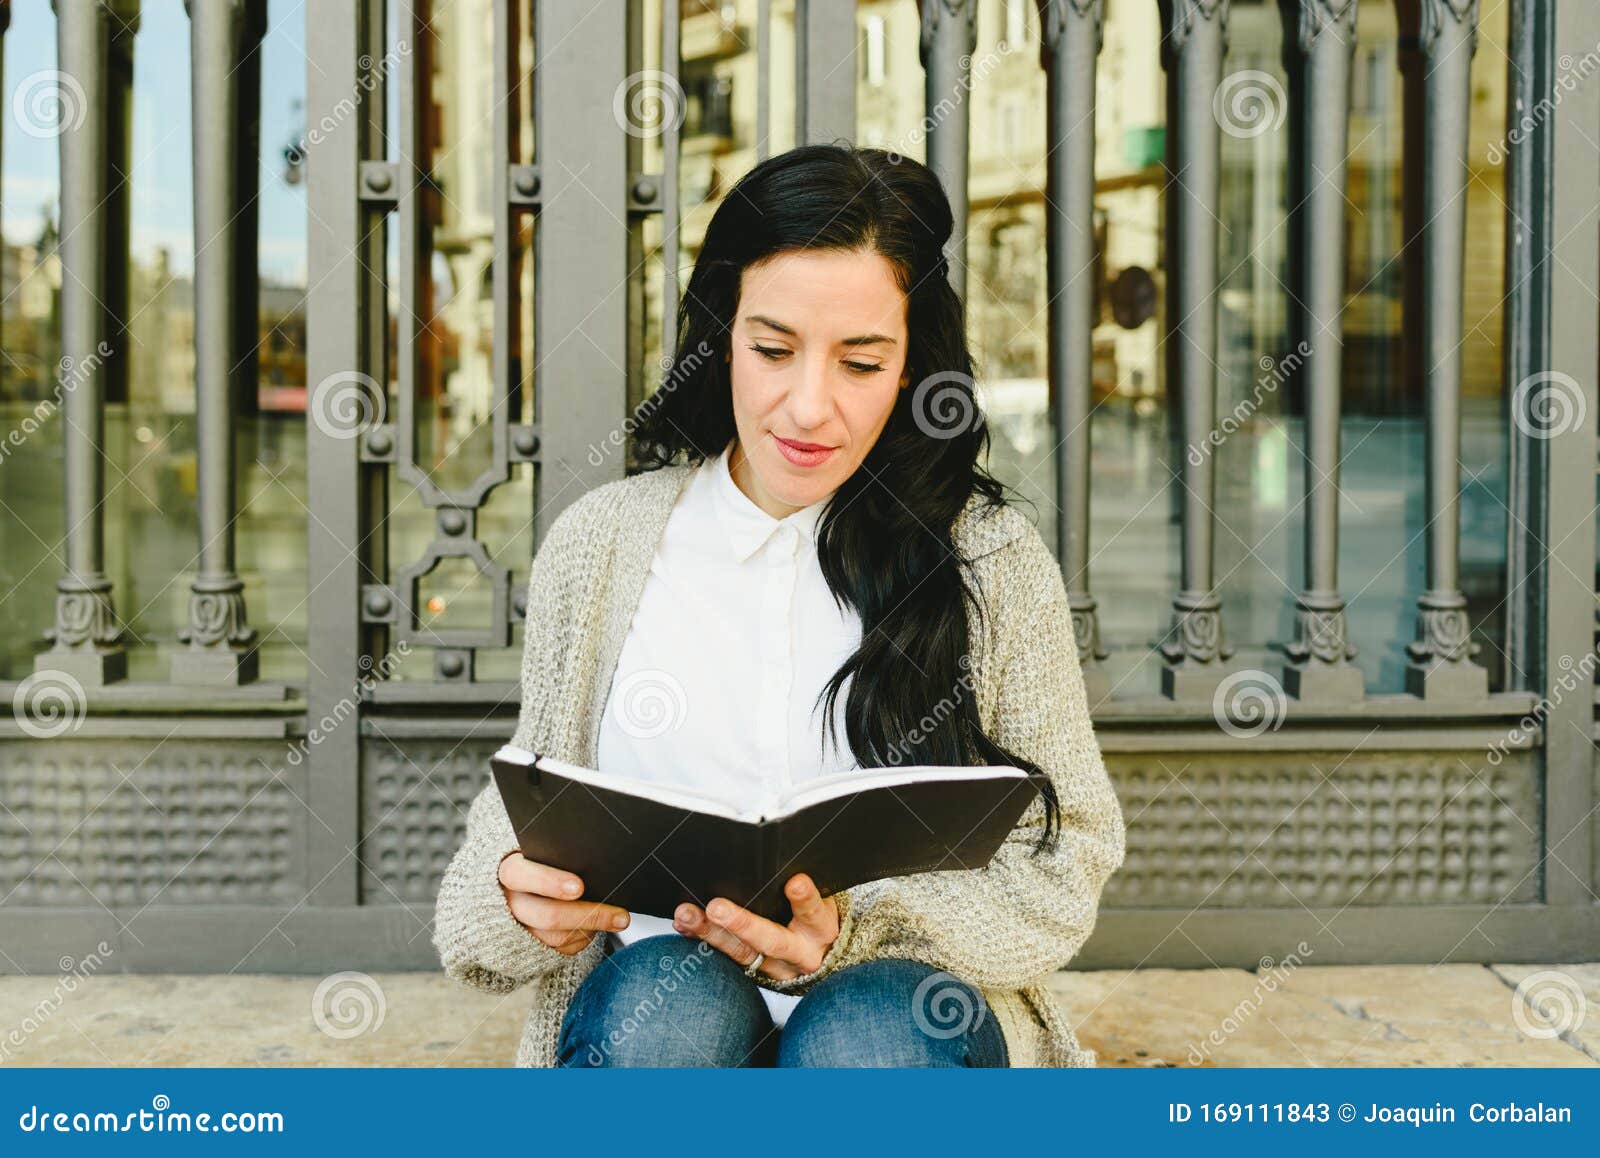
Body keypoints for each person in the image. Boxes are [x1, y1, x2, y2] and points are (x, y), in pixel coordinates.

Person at [433, 142, 1125, 1067]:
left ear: (914, 364)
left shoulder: (987, 556)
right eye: (772, 350)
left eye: (861, 364)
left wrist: (850, 932)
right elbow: (521, 817)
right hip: (664, 1020)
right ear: (722, 333)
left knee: (869, 1039)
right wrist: (519, 898)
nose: (808, 409)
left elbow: (1068, 846)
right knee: (665, 1005)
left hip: (897, 1027)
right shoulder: (602, 544)